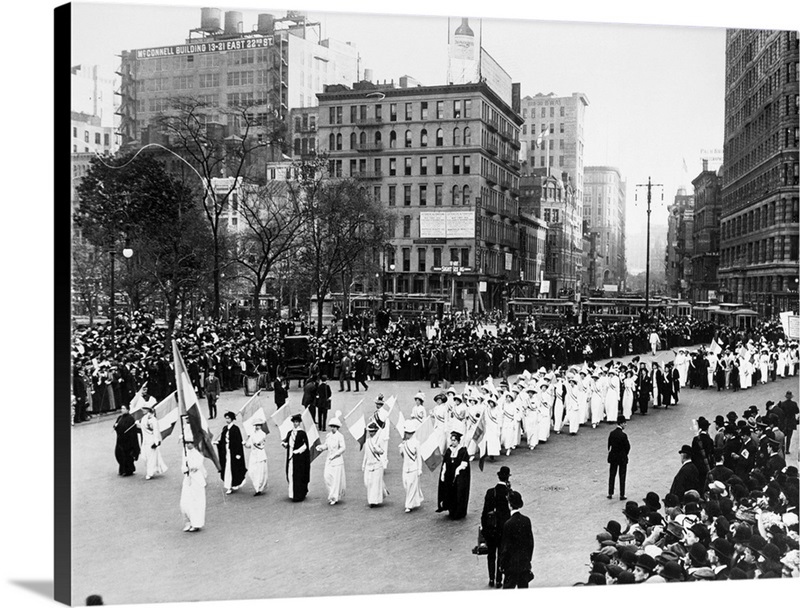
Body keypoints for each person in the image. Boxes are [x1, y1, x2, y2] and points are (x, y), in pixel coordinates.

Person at [481, 466, 512, 587]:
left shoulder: (490, 492)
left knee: (491, 555)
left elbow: (484, 513)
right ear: (507, 478)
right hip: (503, 529)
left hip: (491, 528)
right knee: (501, 555)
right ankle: (499, 580)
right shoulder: (508, 493)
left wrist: (484, 528)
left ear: (498, 477)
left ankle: (491, 579)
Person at [499, 491, 534, 588]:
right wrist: (528, 560)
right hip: (523, 564)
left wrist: (502, 564)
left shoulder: (508, 524)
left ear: (510, 505)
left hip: (511, 566)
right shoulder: (526, 520)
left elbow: (505, 547)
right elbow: (530, 543)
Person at [436, 429, 471, 519]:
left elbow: (464, 463)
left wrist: (458, 470)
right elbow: (445, 463)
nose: (453, 442)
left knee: (458, 493)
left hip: (458, 477)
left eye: (454, 440)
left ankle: (458, 512)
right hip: (449, 476)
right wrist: (443, 473)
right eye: (452, 440)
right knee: (449, 492)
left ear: (458, 441)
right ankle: (450, 509)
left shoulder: (463, 451)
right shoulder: (449, 450)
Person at [180, 427, 207, 532]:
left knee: (196, 502)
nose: (188, 445)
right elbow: (183, 466)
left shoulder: (198, 453)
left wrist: (189, 466)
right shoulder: (185, 453)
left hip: (196, 480)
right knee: (184, 502)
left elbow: (197, 465)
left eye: (190, 443)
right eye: (187, 443)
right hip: (187, 479)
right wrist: (185, 468)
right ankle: (188, 522)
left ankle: (196, 523)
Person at [317, 411, 346, 505]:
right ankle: (331, 493)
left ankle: (334, 497)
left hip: (337, 461)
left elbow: (343, 448)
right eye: (331, 426)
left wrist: (335, 455)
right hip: (329, 460)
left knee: (335, 479)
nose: (332, 428)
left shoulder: (340, 436)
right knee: (327, 477)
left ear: (337, 427)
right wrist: (321, 447)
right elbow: (326, 445)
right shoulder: (328, 436)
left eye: (334, 427)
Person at [215, 411, 247, 494]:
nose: (227, 420)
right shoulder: (225, 428)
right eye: (226, 418)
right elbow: (222, 440)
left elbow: (238, 442)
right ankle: (228, 485)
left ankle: (233, 484)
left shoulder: (235, 429)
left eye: (228, 418)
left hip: (233, 452)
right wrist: (218, 443)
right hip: (226, 451)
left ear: (232, 419)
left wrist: (238, 453)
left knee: (233, 467)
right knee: (226, 467)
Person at [281, 414, 310, 502]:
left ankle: (299, 494)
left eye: (297, 422)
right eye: (294, 422)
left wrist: (298, 451)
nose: (295, 424)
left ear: (299, 423)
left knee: (298, 475)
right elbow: (288, 443)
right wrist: (284, 444)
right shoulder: (290, 433)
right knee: (290, 474)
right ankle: (292, 494)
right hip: (290, 458)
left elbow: (305, 446)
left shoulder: (302, 433)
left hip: (299, 459)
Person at [399, 420, 424, 513]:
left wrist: (419, 469)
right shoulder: (404, 443)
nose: (408, 434)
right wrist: (401, 448)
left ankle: (408, 505)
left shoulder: (416, 443)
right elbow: (402, 456)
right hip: (405, 468)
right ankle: (416, 499)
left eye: (409, 433)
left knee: (411, 486)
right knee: (406, 486)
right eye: (407, 433)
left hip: (414, 468)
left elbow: (418, 458)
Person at [362, 421, 388, 507]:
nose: (371, 433)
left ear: (376, 431)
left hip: (377, 464)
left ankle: (373, 501)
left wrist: (377, 450)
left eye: (372, 431)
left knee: (375, 483)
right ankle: (383, 491)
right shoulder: (367, 441)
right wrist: (363, 464)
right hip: (368, 464)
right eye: (370, 431)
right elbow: (366, 454)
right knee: (368, 483)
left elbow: (382, 451)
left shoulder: (379, 440)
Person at [139, 405, 167, 480]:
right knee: (145, 457)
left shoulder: (154, 420)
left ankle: (150, 473)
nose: (142, 410)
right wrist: (137, 424)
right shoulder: (144, 418)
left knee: (151, 457)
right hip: (145, 440)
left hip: (151, 440)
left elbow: (156, 431)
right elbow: (142, 428)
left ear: (148, 410)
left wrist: (156, 442)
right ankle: (156, 468)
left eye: (144, 409)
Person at [113, 404, 141, 476]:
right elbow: (117, 425)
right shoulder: (120, 417)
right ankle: (122, 469)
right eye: (121, 409)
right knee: (119, 455)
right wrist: (115, 426)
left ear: (127, 410)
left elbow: (131, 430)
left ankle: (128, 470)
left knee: (127, 456)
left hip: (128, 441)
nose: (122, 410)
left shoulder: (130, 418)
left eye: (124, 409)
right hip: (120, 440)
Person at [607, 415, 630, 500]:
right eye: (625, 423)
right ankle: (622, 494)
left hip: (613, 456)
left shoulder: (612, 433)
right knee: (622, 476)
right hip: (622, 457)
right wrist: (625, 454)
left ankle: (610, 492)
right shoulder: (623, 435)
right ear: (622, 423)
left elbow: (609, 445)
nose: (625, 425)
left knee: (612, 475)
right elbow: (627, 447)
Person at [244, 418, 268, 496]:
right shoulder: (253, 434)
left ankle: (258, 488)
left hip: (260, 454)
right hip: (253, 455)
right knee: (251, 471)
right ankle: (257, 486)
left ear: (261, 426)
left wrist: (251, 438)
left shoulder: (263, 434)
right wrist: (244, 443)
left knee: (260, 471)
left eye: (258, 425)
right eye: (256, 425)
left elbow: (257, 443)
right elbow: (248, 445)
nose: (257, 427)